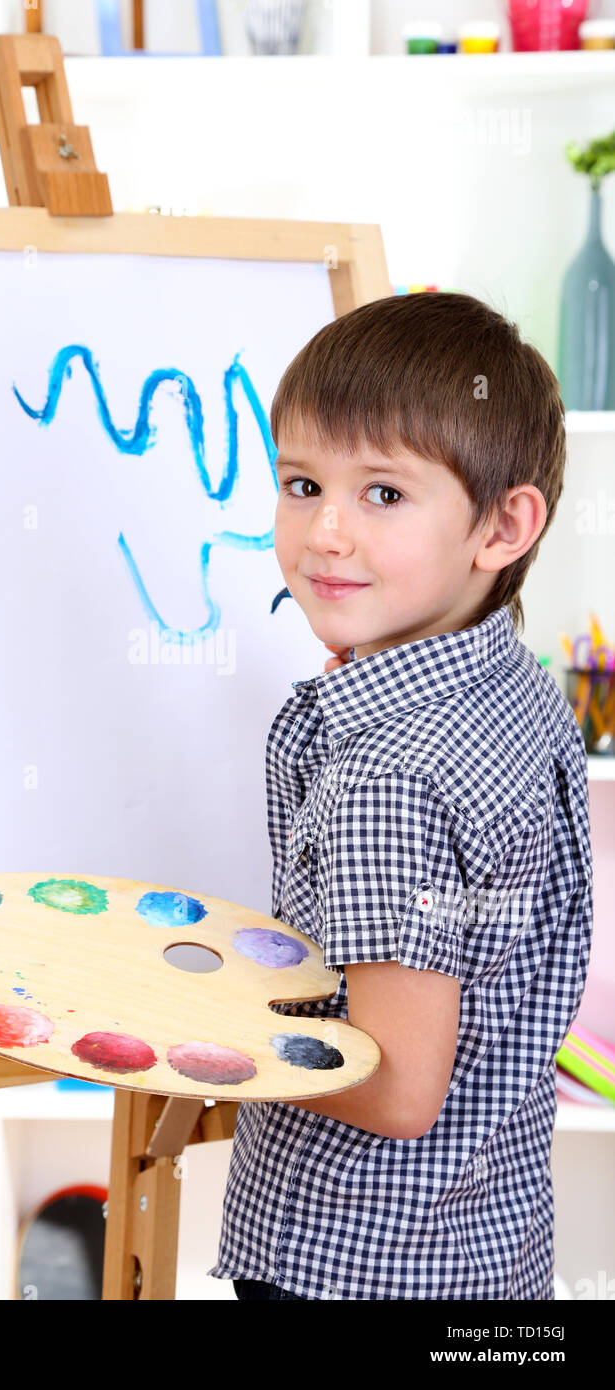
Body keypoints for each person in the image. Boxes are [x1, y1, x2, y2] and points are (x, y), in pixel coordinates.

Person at [207, 291, 593, 1301]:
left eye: (382, 493)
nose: (325, 533)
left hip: (350, 1267)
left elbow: (393, 1088)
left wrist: (200, 1029)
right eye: (301, 484)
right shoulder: (512, 688)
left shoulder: (388, 774)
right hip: (484, 1257)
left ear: (502, 525)